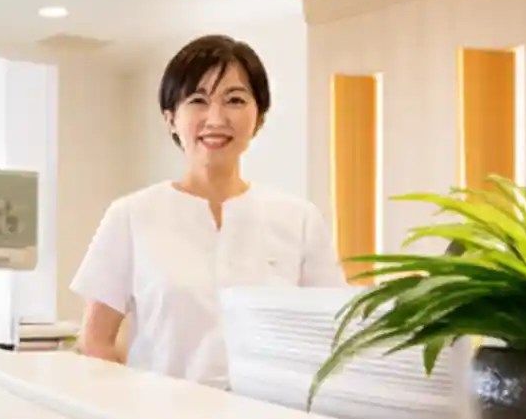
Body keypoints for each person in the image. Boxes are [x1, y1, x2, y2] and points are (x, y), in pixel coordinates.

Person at [70, 34, 348, 388]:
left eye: (234, 100)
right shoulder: (131, 215)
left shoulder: (300, 219)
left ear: (258, 117)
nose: (216, 118)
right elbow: (95, 341)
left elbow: (331, 336)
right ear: (170, 118)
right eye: (198, 100)